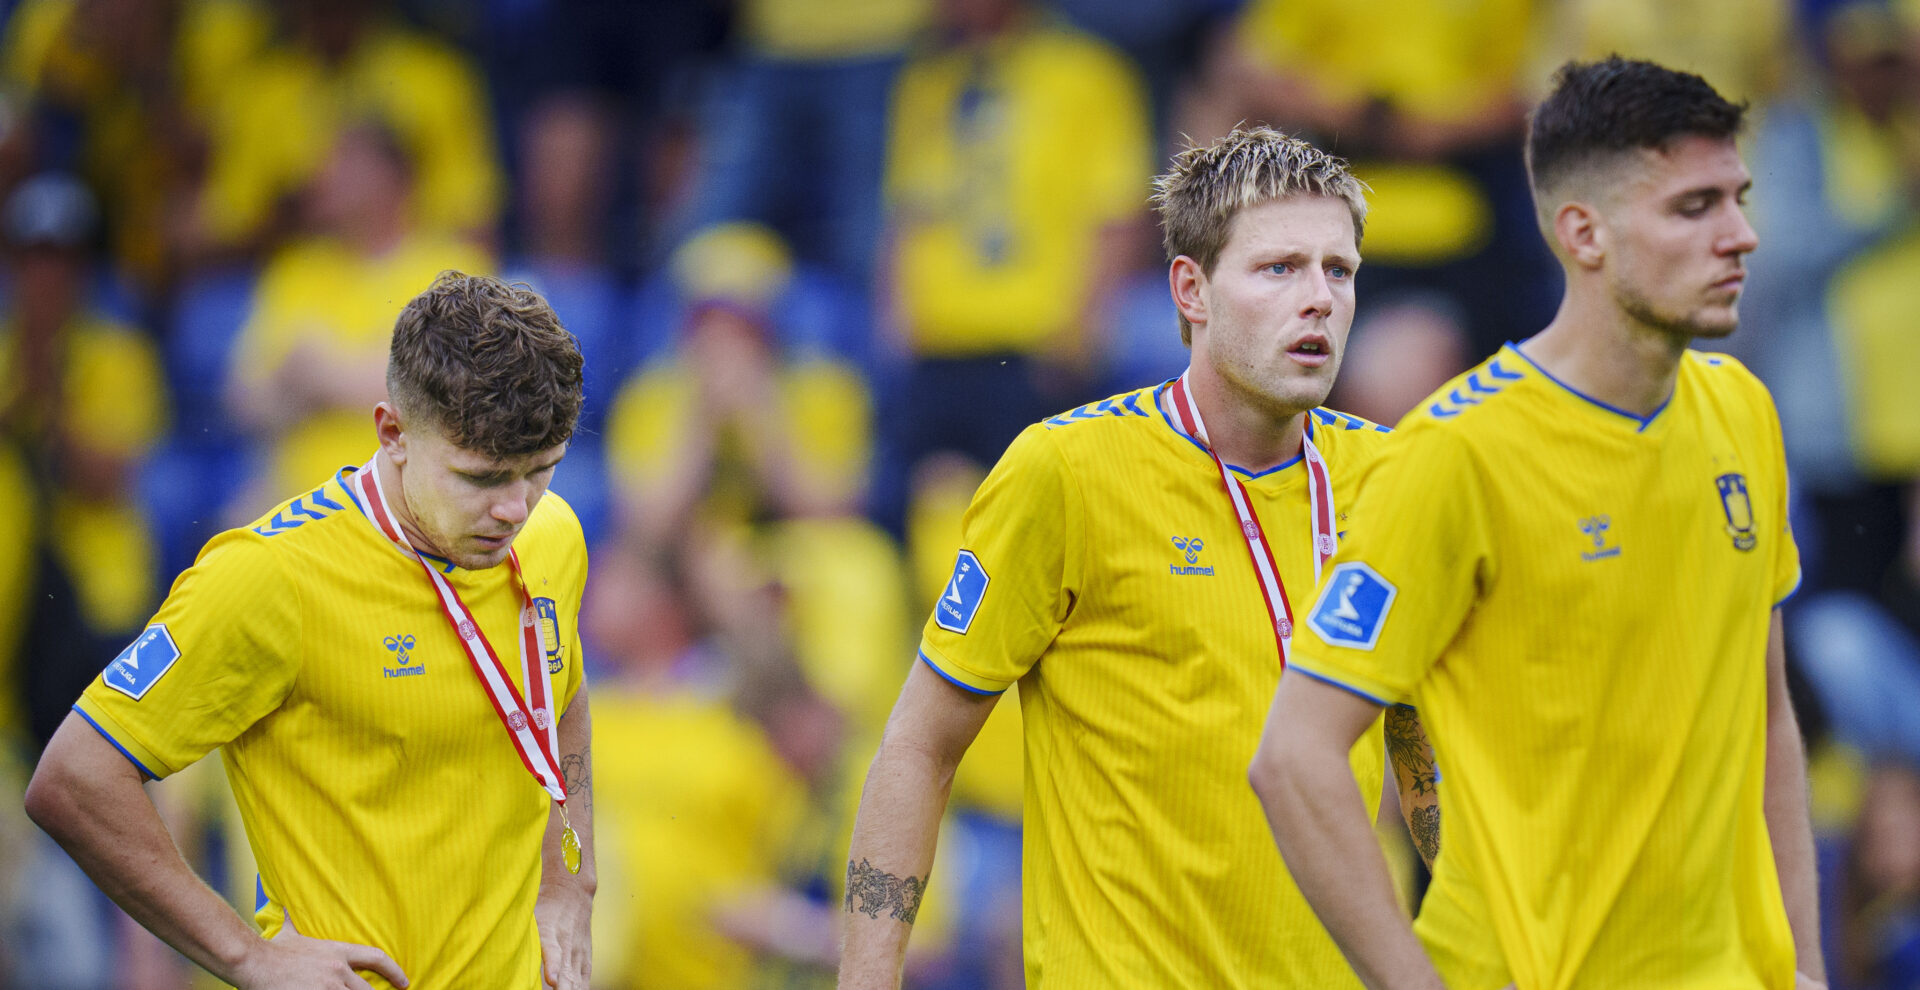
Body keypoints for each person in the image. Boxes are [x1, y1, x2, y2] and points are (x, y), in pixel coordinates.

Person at [1249, 56, 1826, 989]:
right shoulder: (1457, 452)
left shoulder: (1742, 413)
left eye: (1737, 198)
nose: (1742, 236)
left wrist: (1803, 965)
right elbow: (1293, 759)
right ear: (1582, 233)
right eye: (1695, 208)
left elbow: (1765, 718)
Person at [839, 126, 1438, 988]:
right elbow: (920, 745)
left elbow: (1421, 747)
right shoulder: (1067, 473)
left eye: (1338, 271)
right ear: (1191, 290)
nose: (1319, 300)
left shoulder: (1395, 480)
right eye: (1279, 269)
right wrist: (867, 978)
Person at [23, 271, 596, 989]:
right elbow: (74, 778)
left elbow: (560, 687)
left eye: (541, 470)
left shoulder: (553, 536)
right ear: (392, 434)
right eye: (482, 479)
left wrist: (571, 882)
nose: (516, 509)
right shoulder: (270, 578)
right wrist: (247, 955)